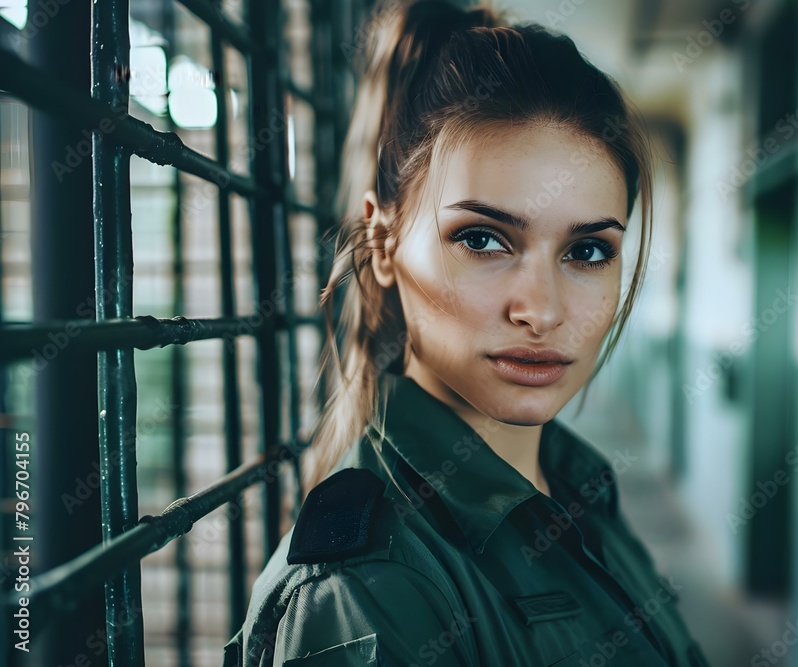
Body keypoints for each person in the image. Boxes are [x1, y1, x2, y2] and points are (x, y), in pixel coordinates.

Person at [225, 1, 710, 665]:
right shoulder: (364, 593)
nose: (541, 310)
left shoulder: (577, 489)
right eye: (483, 239)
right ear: (385, 246)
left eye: (587, 251)